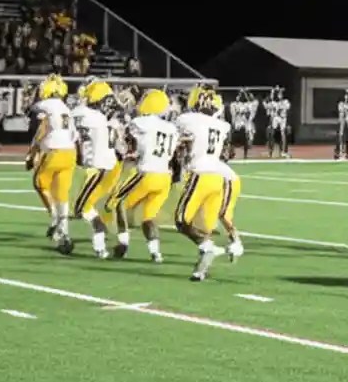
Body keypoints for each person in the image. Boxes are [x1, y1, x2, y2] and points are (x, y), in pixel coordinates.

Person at [111, 89, 180, 263]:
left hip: (146, 173)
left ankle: (123, 243)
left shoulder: (140, 123)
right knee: (148, 217)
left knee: (117, 202)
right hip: (164, 177)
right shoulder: (171, 127)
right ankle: (156, 253)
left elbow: (128, 142)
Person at [174, 89, 232, 281]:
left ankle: (208, 247)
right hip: (218, 177)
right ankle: (202, 268)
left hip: (200, 174)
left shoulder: (188, 119)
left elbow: (180, 136)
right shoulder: (223, 125)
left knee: (182, 219)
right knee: (204, 225)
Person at [24, 75, 78, 254]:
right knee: (62, 194)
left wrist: (31, 153)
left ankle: (55, 217)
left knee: (39, 183)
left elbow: (42, 128)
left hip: (54, 151)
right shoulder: (66, 108)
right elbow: (74, 136)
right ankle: (64, 234)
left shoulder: (45, 105)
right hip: (70, 153)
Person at [70, 81, 122, 259]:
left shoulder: (82, 113)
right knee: (89, 206)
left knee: (81, 208)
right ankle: (114, 239)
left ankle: (100, 243)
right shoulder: (102, 118)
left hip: (98, 168)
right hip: (111, 166)